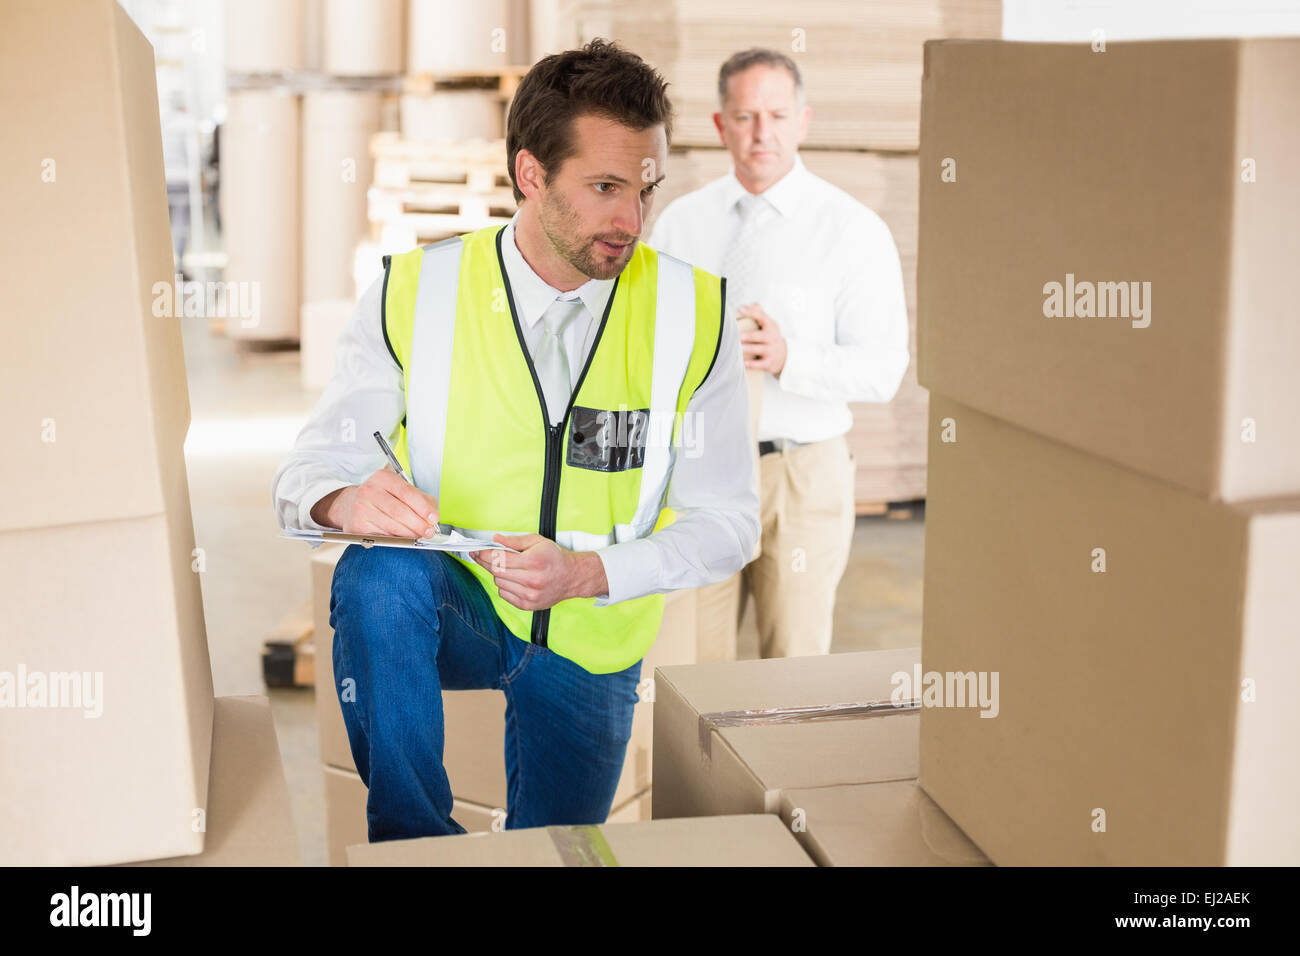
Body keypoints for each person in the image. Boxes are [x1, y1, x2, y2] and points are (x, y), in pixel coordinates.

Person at [271, 40, 758, 841]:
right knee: (375, 578)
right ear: (531, 174)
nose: (632, 221)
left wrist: (588, 573)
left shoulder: (693, 316)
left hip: (592, 629)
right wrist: (343, 499)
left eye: (646, 189)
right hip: (460, 600)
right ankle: (416, 847)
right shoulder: (417, 292)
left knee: (554, 850)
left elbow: (730, 522)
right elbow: (308, 471)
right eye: (605, 188)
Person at [649, 48, 909, 661]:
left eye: (777, 115)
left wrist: (791, 356)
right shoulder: (683, 224)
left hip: (801, 476)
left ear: (803, 122)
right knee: (690, 663)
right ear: (721, 126)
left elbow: (884, 369)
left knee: (793, 667)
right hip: (701, 475)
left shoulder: (852, 230)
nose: (761, 132)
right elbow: (647, 342)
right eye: (745, 117)